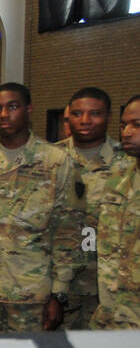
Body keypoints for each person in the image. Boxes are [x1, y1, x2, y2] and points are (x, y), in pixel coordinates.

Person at [0, 83, 84, 334]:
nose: (4, 115)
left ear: (28, 110)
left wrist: (59, 293)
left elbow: (67, 233)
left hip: (32, 294)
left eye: (13, 107)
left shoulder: (55, 162)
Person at [55, 88, 119, 330]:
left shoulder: (127, 161)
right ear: (68, 117)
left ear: (109, 117)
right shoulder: (50, 159)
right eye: (78, 113)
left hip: (109, 286)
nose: (85, 120)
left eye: (95, 114)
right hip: (59, 284)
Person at [92, 95, 140, 329]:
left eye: (137, 125)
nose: (127, 132)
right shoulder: (119, 176)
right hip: (113, 313)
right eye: (123, 125)